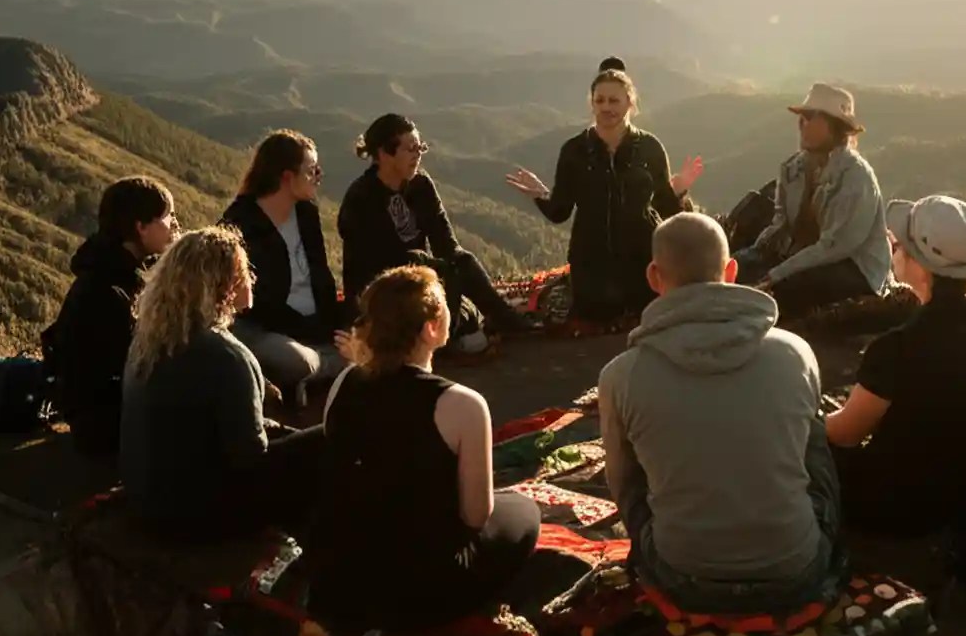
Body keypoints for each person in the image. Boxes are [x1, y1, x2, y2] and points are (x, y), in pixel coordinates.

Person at [598, 212, 844, 615]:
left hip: (682, 578)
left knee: (632, 470)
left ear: (654, 277)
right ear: (731, 271)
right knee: (814, 444)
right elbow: (813, 463)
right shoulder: (794, 353)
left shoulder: (620, 377)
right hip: (798, 571)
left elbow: (624, 485)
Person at [306, 266, 540, 634]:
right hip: (419, 594)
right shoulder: (462, 404)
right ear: (431, 328)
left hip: (343, 583)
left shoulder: (344, 383)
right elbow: (476, 516)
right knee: (523, 511)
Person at [825, 195, 966, 536]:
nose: (894, 250)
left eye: (899, 245)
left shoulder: (897, 347)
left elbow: (845, 433)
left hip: (901, 505)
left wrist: (806, 420)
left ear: (922, 267)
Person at [119, 226, 324, 540]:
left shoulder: (152, 340)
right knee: (330, 438)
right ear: (225, 285)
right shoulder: (227, 356)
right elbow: (250, 458)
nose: (251, 280)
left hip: (147, 502)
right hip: (197, 518)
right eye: (244, 272)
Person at [505, 56, 703, 322]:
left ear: (630, 103)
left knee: (645, 317)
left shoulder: (650, 148)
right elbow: (560, 212)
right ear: (592, 103)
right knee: (599, 316)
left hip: (643, 262)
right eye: (600, 101)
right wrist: (541, 196)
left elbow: (666, 210)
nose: (606, 108)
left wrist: (678, 190)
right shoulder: (574, 150)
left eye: (614, 101)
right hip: (591, 263)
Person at [338, 113, 532, 351]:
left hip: (425, 282)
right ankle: (454, 332)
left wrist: (452, 270)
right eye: (410, 149)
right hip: (386, 294)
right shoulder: (361, 199)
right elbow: (375, 269)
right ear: (383, 153)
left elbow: (446, 242)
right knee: (460, 304)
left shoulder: (420, 186)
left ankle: (483, 323)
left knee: (462, 261)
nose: (418, 154)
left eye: (421, 147)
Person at [42, 176, 178, 457]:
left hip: (97, 417)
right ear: (141, 227)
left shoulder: (113, 273)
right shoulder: (109, 290)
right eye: (168, 216)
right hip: (105, 426)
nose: (175, 224)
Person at [734, 83, 891, 315]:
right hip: (807, 257)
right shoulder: (792, 169)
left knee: (788, 289)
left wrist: (776, 274)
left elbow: (834, 247)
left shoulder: (856, 178)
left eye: (809, 117)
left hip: (853, 267)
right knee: (740, 267)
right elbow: (781, 224)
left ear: (834, 127)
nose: (801, 124)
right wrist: (753, 255)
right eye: (801, 118)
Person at [220, 129, 346, 402]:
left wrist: (337, 324)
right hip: (268, 328)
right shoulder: (241, 224)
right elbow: (258, 305)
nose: (318, 177)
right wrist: (317, 332)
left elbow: (321, 276)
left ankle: (320, 367)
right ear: (287, 177)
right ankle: (332, 365)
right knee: (297, 361)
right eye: (312, 171)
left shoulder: (306, 214)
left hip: (313, 324)